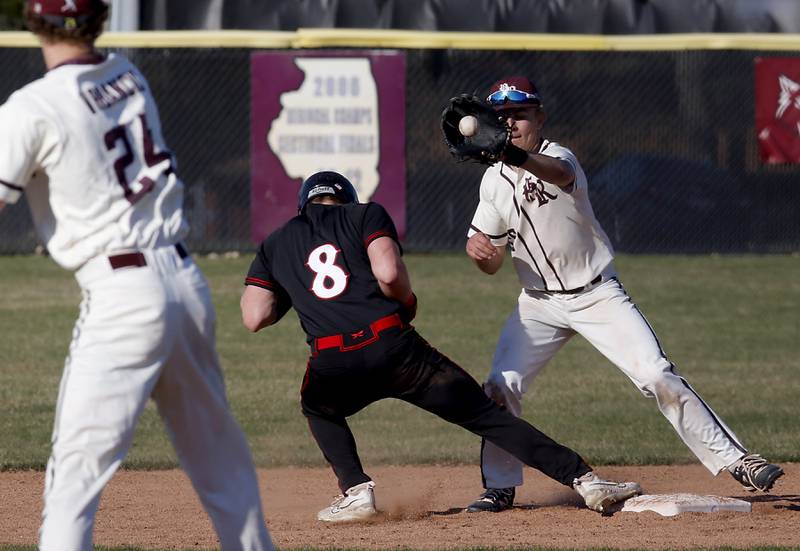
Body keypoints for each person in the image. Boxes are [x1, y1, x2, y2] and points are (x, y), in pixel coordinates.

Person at [0, 2, 273, 549]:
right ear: (99, 18)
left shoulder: (31, 108)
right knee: (223, 465)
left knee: (73, 481)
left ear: (33, 22)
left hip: (121, 294)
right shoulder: (128, 75)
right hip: (185, 282)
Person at [460, 75, 785, 513]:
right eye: (501, 116)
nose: (511, 122)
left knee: (655, 374)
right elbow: (492, 261)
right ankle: (499, 485)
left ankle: (738, 460)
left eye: (519, 113)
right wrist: (480, 253)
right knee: (500, 386)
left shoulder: (559, 157)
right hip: (538, 304)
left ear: (540, 116)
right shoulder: (492, 182)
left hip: (597, 296)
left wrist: (514, 154)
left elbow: (558, 175)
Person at [240, 170, 641, 523]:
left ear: (303, 205)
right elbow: (388, 271)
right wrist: (407, 303)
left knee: (318, 406)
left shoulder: (274, 243)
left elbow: (254, 317)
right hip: (395, 348)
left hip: (333, 361)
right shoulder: (365, 214)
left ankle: (356, 492)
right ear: (345, 199)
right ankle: (584, 480)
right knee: (485, 415)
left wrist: (293, 289)